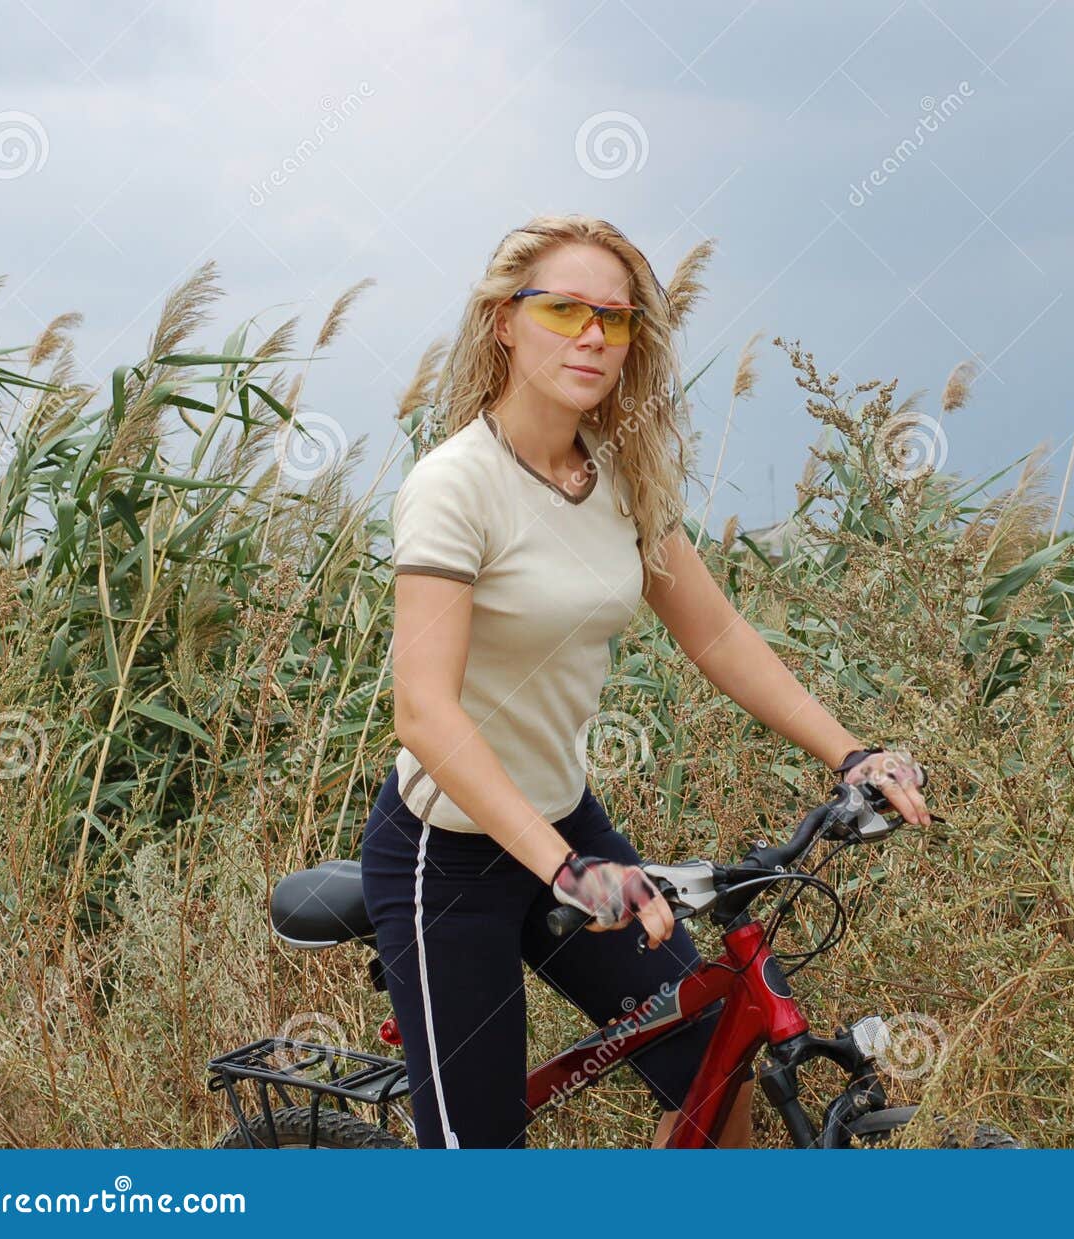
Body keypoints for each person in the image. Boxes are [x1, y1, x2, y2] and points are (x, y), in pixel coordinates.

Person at [359, 215, 931, 1149]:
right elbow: (424, 710)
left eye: (615, 320)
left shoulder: (621, 480)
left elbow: (716, 636)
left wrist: (853, 752)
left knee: (715, 1059)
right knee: (482, 1155)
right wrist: (567, 868)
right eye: (564, 309)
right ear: (506, 322)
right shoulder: (454, 484)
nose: (592, 334)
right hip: (448, 850)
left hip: (563, 816)